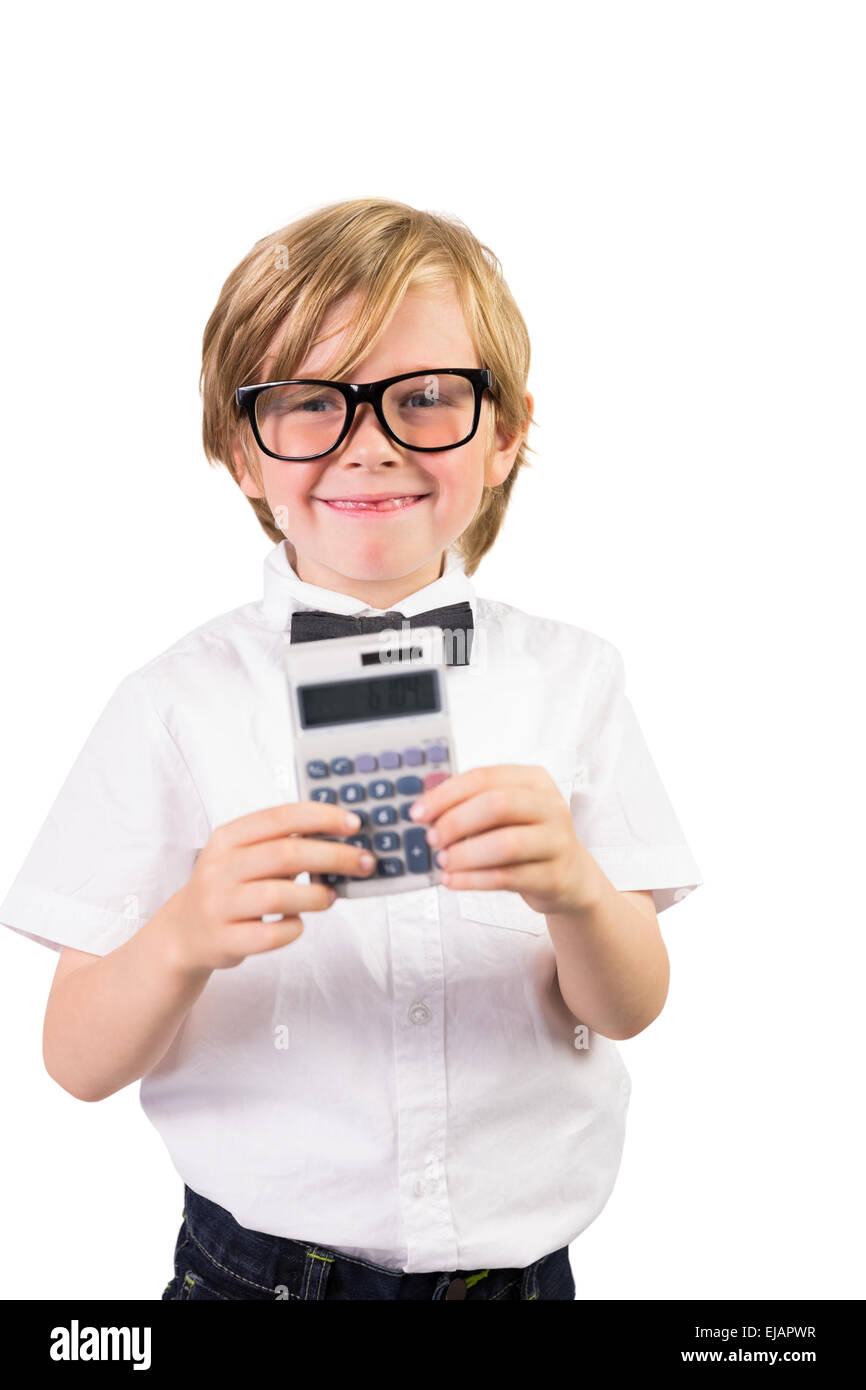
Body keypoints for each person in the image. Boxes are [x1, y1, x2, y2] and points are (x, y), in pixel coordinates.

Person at [0, 197, 703, 1301]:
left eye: (426, 397)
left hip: (520, 1281)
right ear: (242, 451)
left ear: (506, 430)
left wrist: (574, 890)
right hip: (254, 1277)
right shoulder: (171, 704)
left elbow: (628, 1006)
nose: (368, 442)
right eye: (306, 403)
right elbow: (75, 1061)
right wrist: (182, 932)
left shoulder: (576, 678)